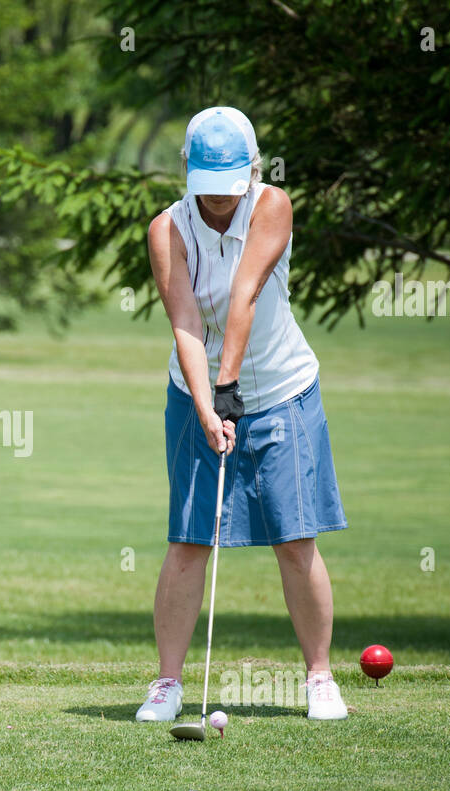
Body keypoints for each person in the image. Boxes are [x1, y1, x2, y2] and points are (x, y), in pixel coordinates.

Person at [136, 106, 349, 724]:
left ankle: (319, 679)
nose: (220, 202)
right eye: (209, 187)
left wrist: (229, 388)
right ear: (189, 172)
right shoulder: (167, 229)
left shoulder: (272, 206)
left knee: (295, 538)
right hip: (193, 392)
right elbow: (184, 322)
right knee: (187, 541)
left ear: (252, 171)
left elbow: (244, 297)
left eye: (231, 186)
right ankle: (168, 684)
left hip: (282, 389)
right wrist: (207, 406)